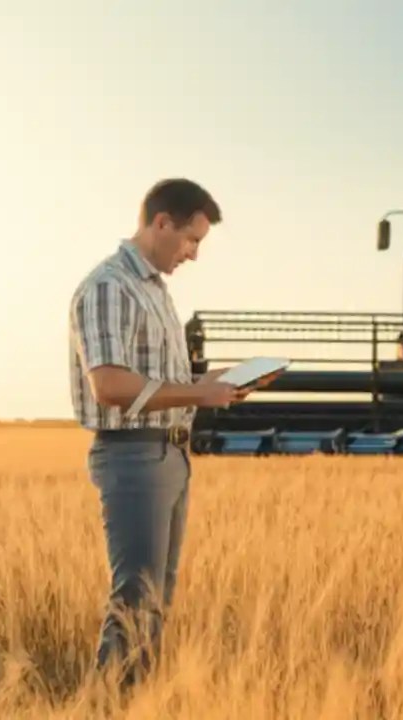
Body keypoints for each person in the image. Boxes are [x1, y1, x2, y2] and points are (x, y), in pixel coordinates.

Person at [68, 177, 248, 688]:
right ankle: (108, 702)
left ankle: (138, 699)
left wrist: (206, 383)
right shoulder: (109, 287)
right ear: (161, 222)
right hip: (132, 456)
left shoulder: (155, 292)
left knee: (156, 600)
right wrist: (197, 396)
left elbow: (156, 382)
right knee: (135, 597)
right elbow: (108, 384)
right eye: (191, 240)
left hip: (169, 456)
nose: (193, 254)